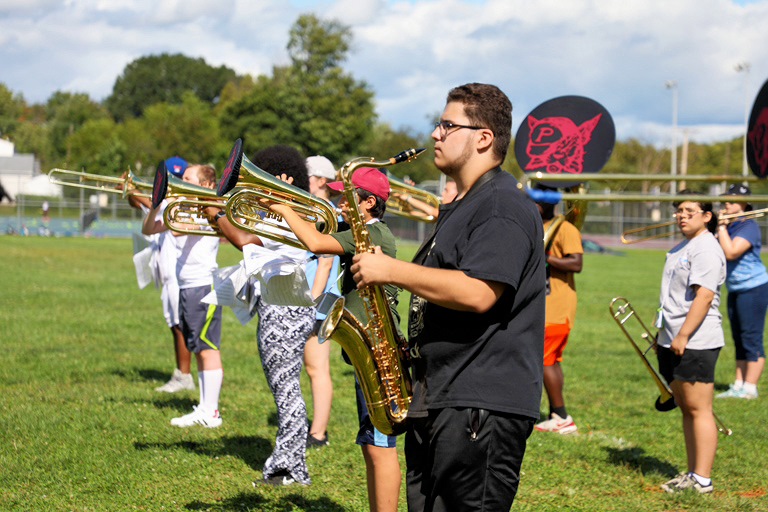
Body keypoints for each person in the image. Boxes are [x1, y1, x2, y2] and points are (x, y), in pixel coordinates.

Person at [351, 83, 545, 511]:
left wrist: (392, 270)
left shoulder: (500, 206)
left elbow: (480, 293)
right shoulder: (463, 206)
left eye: (447, 124)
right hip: (440, 397)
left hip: (479, 404)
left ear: (483, 138)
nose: (435, 134)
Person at [270, 166, 402, 512]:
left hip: (379, 349)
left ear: (369, 203)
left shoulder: (371, 235)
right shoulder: (356, 229)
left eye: (348, 197)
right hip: (368, 348)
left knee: (380, 443)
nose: (341, 203)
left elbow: (314, 242)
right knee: (371, 443)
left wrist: (284, 207)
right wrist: (285, 200)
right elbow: (304, 231)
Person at [205, 145, 315, 487]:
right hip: (279, 303)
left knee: (286, 391)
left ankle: (290, 469)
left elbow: (247, 242)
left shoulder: (291, 213)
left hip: (286, 307)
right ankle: (289, 464)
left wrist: (217, 215)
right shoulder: (288, 213)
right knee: (284, 388)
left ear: (284, 179)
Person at [143, 164, 223, 428]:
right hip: (187, 285)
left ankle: (211, 412)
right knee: (198, 348)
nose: (180, 182)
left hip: (203, 285)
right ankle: (205, 407)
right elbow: (149, 229)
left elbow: (177, 229)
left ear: (204, 185)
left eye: (187, 179)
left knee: (207, 348)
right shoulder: (183, 208)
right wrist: (156, 204)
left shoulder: (209, 208)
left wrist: (176, 200)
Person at [657, 192, 725, 494]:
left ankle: (703, 479)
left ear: (707, 216)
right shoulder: (686, 245)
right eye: (678, 210)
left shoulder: (707, 249)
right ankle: (694, 474)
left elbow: (705, 295)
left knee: (700, 410)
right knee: (687, 408)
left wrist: (683, 335)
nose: (681, 215)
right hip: (675, 337)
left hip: (696, 340)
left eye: (689, 210)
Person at [126, 157, 195, 393]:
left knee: (180, 325)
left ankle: (184, 376)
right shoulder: (164, 201)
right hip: (168, 276)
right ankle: (182, 374)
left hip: (181, 276)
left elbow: (148, 205)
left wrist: (137, 191)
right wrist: (129, 188)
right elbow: (138, 203)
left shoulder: (184, 204)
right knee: (173, 323)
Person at [534, 199, 583, 435]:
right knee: (551, 360)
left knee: (545, 360)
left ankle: (562, 416)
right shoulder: (535, 225)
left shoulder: (565, 228)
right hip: (540, 303)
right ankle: (557, 413)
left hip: (556, 306)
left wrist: (546, 257)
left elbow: (576, 263)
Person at [716, 184, 768, 400]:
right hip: (736, 288)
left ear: (745, 204)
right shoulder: (729, 226)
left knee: (751, 337)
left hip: (753, 287)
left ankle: (750, 387)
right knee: (738, 338)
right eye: (726, 200)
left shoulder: (748, 227)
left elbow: (731, 252)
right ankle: (739, 384)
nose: (727, 203)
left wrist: (720, 228)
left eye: (733, 200)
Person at [304, 155, 341, 448]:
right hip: (310, 298)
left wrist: (311, 302)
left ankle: (318, 433)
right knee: (311, 366)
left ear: (321, 181)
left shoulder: (325, 212)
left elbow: (326, 262)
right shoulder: (315, 209)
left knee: (317, 367)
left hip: (317, 301)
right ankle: (314, 429)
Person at [392, 178, 457, 219]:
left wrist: (408, 198)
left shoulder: (455, 212)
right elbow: (412, 213)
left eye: (446, 190)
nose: (442, 193)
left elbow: (434, 212)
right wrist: (407, 194)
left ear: (457, 194)